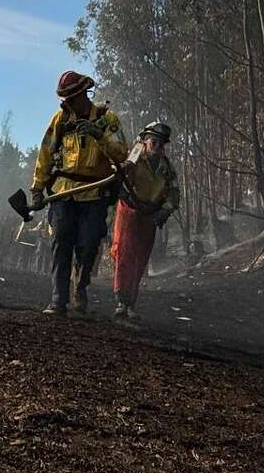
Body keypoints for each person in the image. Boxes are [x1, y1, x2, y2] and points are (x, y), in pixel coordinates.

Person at [30, 70, 129, 316]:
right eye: (65, 99)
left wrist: (99, 135)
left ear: (84, 94)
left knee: (88, 247)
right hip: (63, 194)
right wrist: (37, 189)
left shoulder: (108, 120)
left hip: (94, 194)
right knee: (61, 244)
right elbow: (44, 154)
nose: (68, 103)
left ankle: (80, 286)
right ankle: (58, 300)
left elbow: (122, 155)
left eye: (72, 98)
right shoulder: (60, 120)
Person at [111, 121, 181, 323]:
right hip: (129, 211)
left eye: (161, 144)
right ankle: (121, 302)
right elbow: (121, 175)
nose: (158, 147)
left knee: (140, 258)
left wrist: (164, 212)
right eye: (154, 142)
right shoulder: (135, 156)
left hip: (150, 215)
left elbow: (174, 193)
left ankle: (131, 303)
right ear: (145, 140)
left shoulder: (166, 167)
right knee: (124, 255)